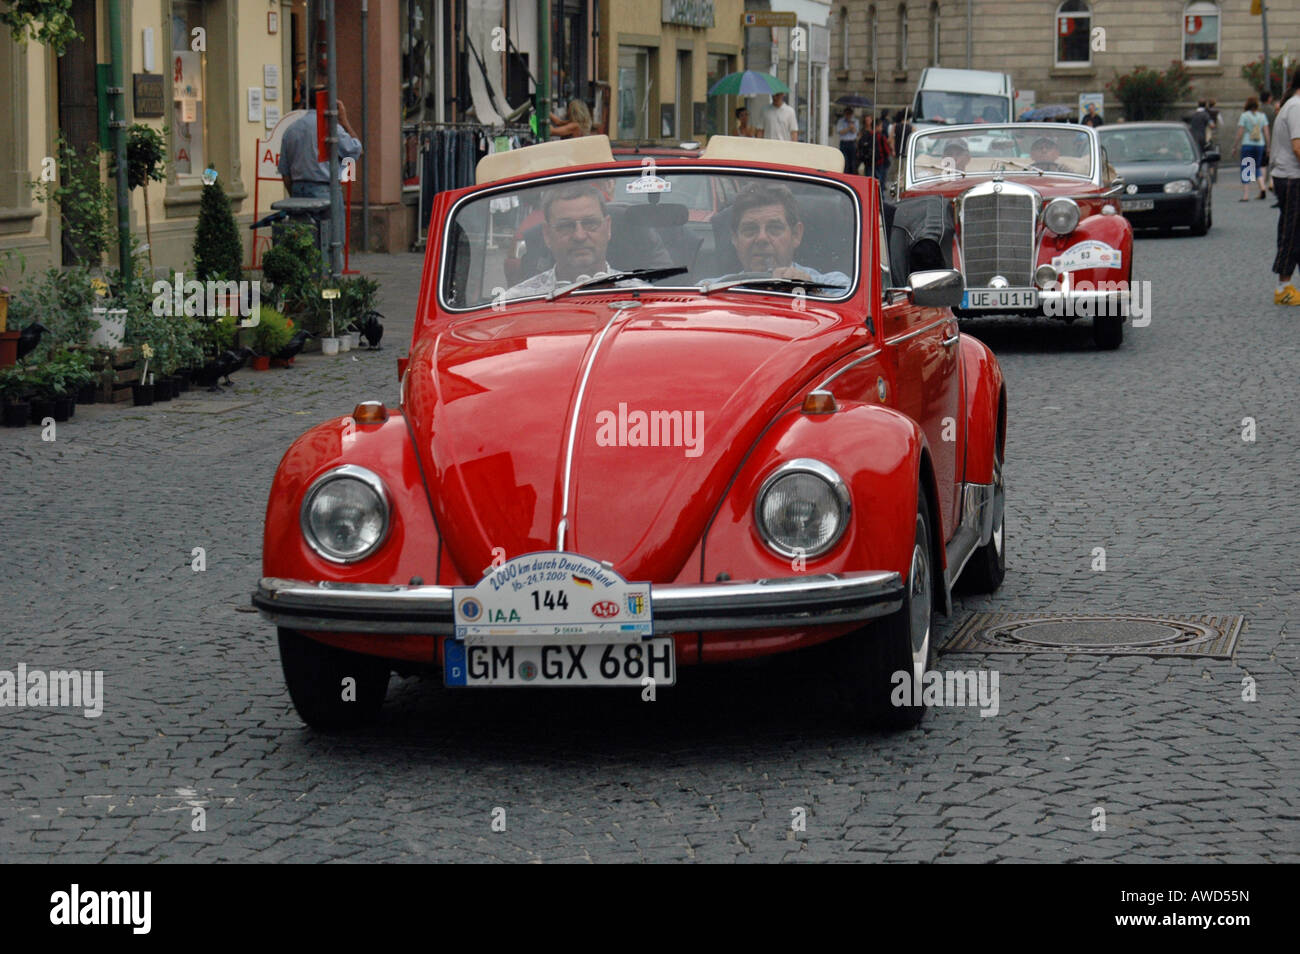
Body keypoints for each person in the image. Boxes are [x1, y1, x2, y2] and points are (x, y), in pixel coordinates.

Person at [722, 184, 850, 288]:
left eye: (774, 229)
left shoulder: (833, 286)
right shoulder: (711, 289)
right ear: (735, 238)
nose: (762, 238)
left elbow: (848, 313)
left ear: (796, 235)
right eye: (750, 230)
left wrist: (811, 291)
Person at [505, 184, 613, 298]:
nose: (579, 236)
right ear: (547, 234)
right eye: (566, 226)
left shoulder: (632, 290)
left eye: (590, 223)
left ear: (608, 227)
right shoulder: (518, 300)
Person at [277, 90, 363, 198]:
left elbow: (285, 171)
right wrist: (344, 121)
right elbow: (356, 150)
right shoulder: (331, 128)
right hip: (325, 189)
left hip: (298, 189)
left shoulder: (291, 129)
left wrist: (294, 195)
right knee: (332, 215)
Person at [1270, 69, 1300, 305]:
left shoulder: (1289, 104)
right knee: (1291, 233)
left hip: (1284, 175)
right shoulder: (1297, 107)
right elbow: (1298, 147)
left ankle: (1286, 284)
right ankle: (1283, 286)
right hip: (1292, 177)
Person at [1235, 97, 1270, 202]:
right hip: (1260, 143)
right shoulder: (1262, 116)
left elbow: (1240, 132)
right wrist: (1268, 146)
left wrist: (1235, 145)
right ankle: (1263, 187)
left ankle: (1246, 195)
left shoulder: (1244, 116)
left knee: (1247, 168)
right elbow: (1266, 132)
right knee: (1257, 167)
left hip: (1247, 143)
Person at [1260, 89, 1278, 198]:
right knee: (1271, 163)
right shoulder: (1272, 111)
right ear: (1269, 98)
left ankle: (1247, 189)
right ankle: (1270, 182)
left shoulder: (1257, 111)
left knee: (1253, 164)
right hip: (1270, 139)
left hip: (1251, 142)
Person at [835, 107, 859, 173]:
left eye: (850, 114)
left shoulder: (855, 121)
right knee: (845, 161)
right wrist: (848, 128)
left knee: (852, 161)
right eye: (847, 114)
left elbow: (855, 132)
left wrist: (852, 126)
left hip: (852, 143)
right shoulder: (841, 121)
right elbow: (840, 132)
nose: (848, 115)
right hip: (844, 143)